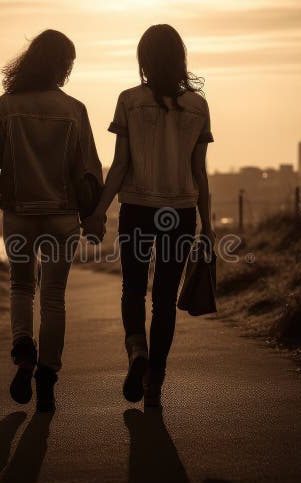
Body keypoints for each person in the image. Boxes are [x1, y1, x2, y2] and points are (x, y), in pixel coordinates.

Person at [0, 29, 103, 413]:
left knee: (21, 287)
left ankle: (23, 348)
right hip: (62, 217)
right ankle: (47, 375)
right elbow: (89, 173)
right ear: (64, 65)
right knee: (54, 297)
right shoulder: (75, 109)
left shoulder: (8, 106)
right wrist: (93, 219)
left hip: (19, 215)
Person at [85, 24, 215, 408]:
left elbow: (120, 165)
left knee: (132, 289)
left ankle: (136, 351)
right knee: (163, 299)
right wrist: (207, 224)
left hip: (137, 209)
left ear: (144, 59)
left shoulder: (128, 100)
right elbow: (199, 172)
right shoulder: (198, 106)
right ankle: (154, 379)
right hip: (180, 212)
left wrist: (97, 211)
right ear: (180, 58)